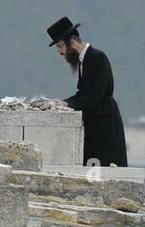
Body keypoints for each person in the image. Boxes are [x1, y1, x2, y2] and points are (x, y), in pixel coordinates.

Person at [46, 16, 129, 167]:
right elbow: (82, 93)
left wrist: (68, 106)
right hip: (93, 124)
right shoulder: (83, 61)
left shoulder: (98, 57)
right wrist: (62, 103)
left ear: (71, 42)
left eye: (60, 46)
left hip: (105, 125)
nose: (60, 52)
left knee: (105, 171)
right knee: (92, 170)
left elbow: (94, 95)